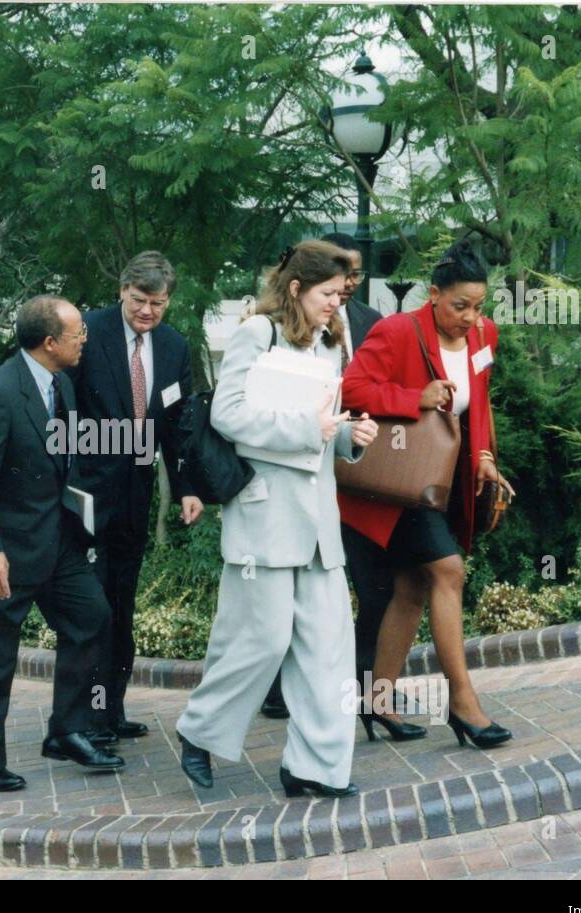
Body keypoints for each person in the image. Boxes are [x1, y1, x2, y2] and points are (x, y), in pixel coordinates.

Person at [175, 241, 378, 796]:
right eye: (328, 294)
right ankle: (200, 731)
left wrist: (348, 439)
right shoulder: (256, 333)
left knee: (329, 651)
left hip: (318, 524)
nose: (337, 304)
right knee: (258, 640)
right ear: (296, 288)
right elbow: (229, 413)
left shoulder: (330, 345)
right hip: (264, 516)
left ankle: (313, 768)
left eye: (341, 295)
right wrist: (307, 428)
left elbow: (323, 426)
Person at [338, 239, 516, 749]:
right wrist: (413, 397)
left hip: (437, 480)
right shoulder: (396, 331)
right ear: (434, 295)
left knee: (412, 588)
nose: (470, 317)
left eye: (478, 306)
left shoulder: (485, 335)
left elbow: (477, 403)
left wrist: (482, 455)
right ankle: (462, 702)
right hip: (393, 482)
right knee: (448, 571)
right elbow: (350, 389)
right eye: (460, 305)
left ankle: (378, 698)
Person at [0, 295, 123, 792]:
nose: (85, 340)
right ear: (50, 342)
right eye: (77, 334)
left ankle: (67, 730)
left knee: (92, 616)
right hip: (2, 552)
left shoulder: (62, 386)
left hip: (57, 543)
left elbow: (63, 464)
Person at [69, 251, 203, 744]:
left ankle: (111, 712)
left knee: (122, 605)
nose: (148, 311)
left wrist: (186, 487)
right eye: (140, 300)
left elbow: (179, 426)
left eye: (159, 303)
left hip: (136, 498)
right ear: (122, 289)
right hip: (85, 495)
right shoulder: (87, 331)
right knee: (92, 607)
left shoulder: (172, 347)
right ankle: (82, 720)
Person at [261, 232, 389, 720]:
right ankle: (277, 692)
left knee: (361, 588)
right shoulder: (272, 330)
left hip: (351, 471)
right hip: (292, 477)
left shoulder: (369, 323)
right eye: (338, 279)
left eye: (354, 276)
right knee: (286, 601)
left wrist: (356, 431)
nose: (348, 287)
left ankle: (353, 691)